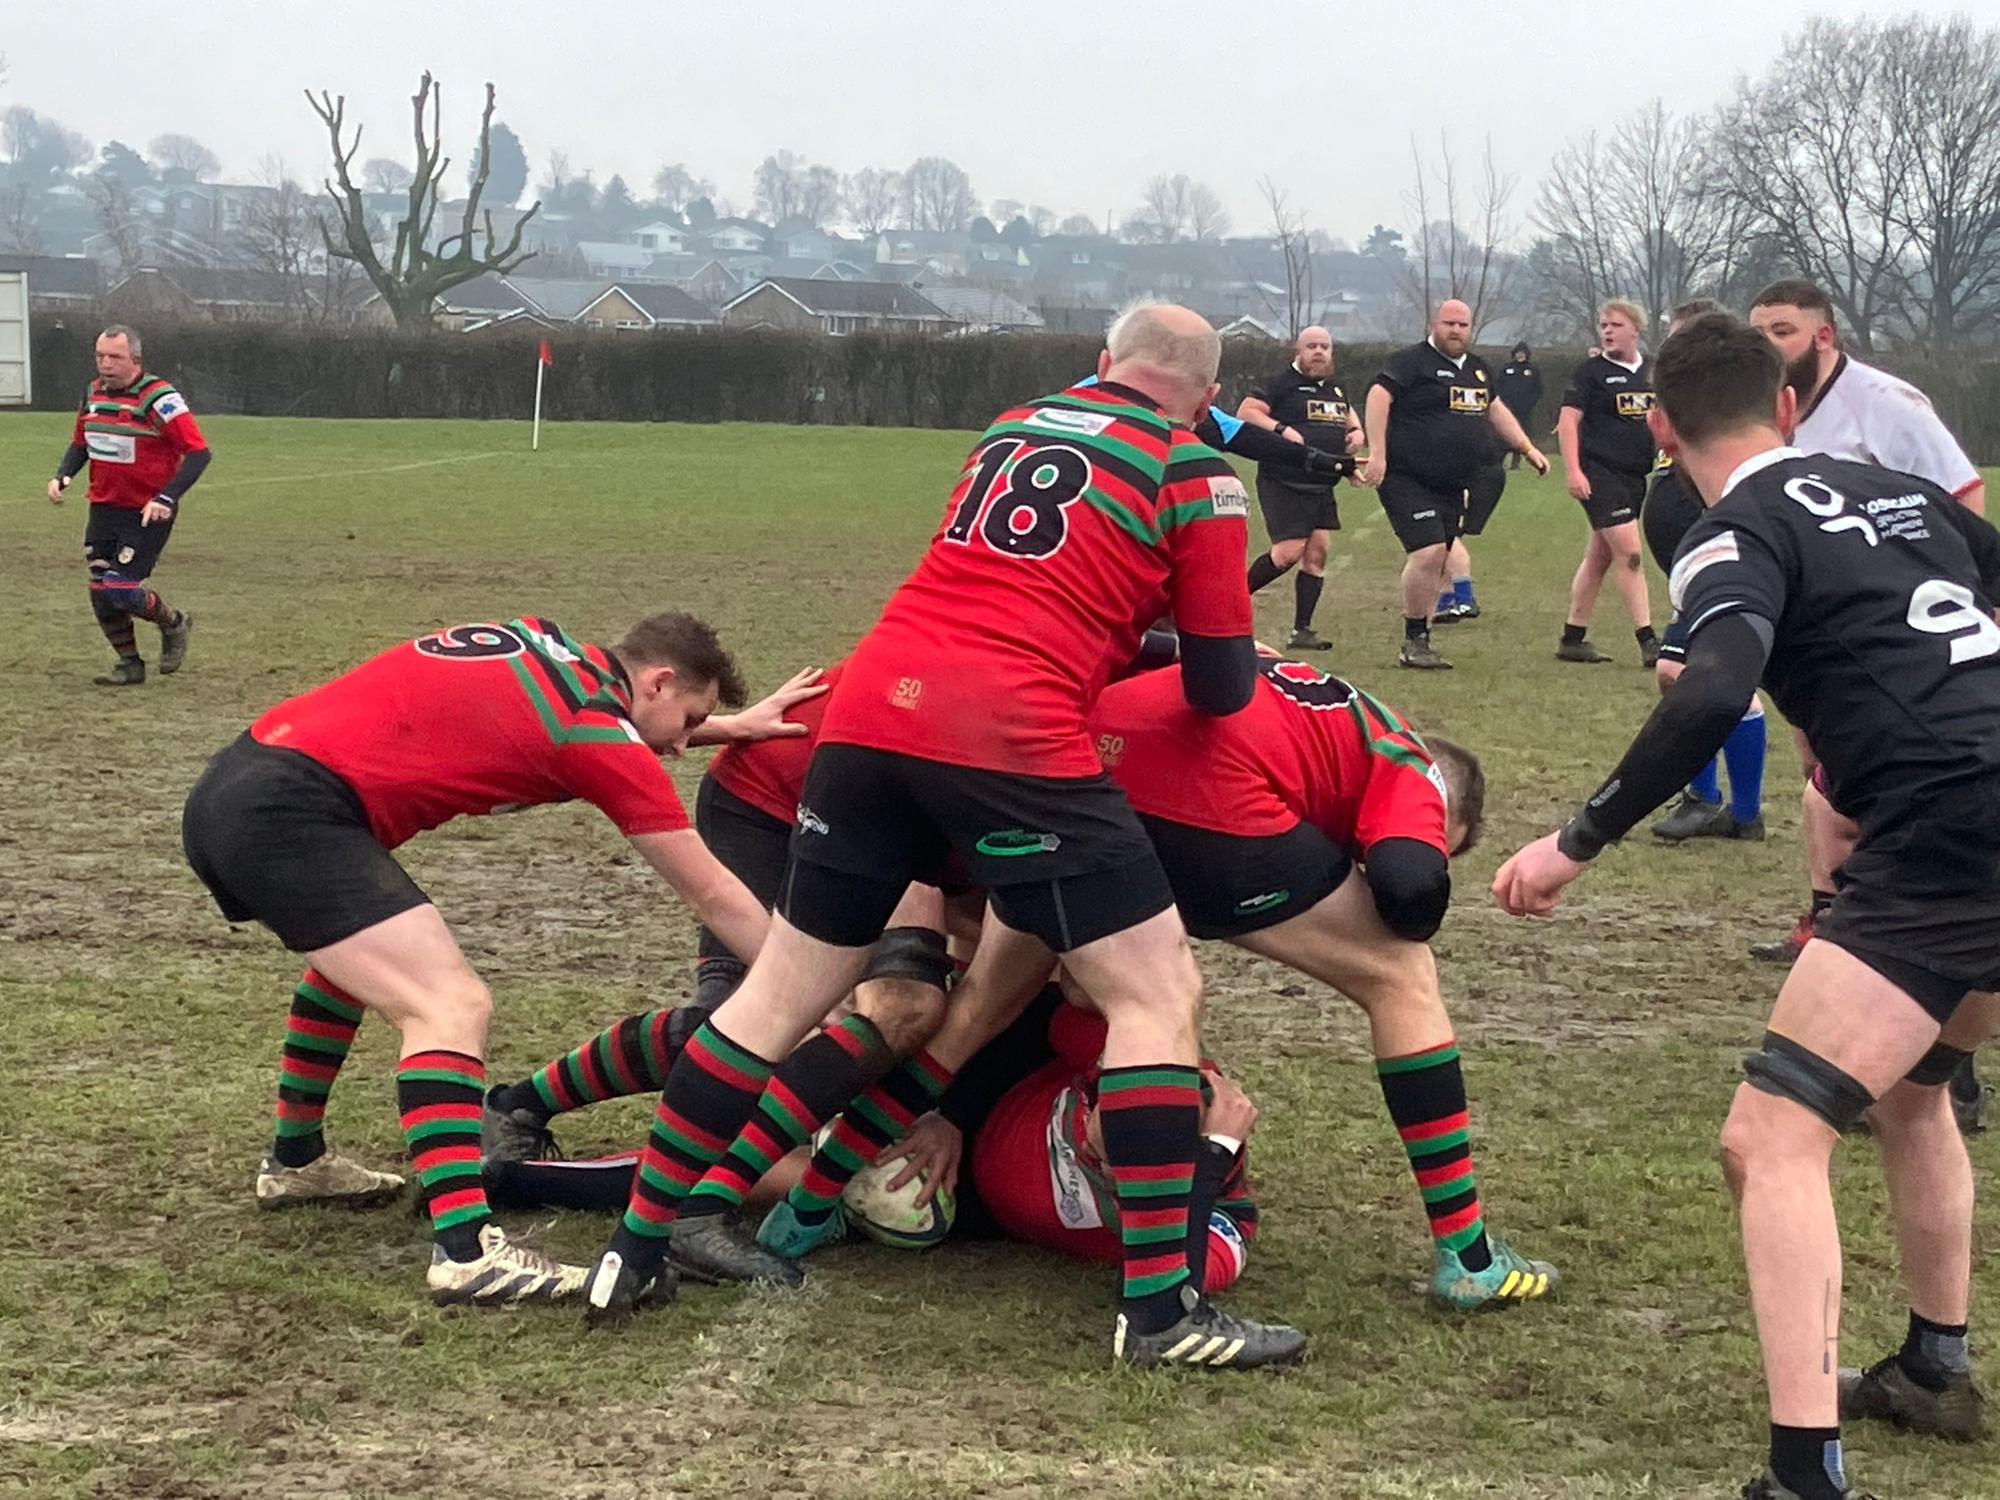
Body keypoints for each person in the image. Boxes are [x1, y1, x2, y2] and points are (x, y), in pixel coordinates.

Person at [581, 302, 1308, 1372]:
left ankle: (636, 1246)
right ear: (1205, 399)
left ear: (1099, 363)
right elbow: (1218, 684)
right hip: (1008, 731)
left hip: (868, 708)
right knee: (1155, 994)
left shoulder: (1013, 424)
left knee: (778, 995)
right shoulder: (1196, 473)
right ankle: (1161, 1314)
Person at [1492, 312, 2000, 1500]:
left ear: (1661, 435)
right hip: (1968, 810)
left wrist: (1574, 842)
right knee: (1916, 1089)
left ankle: (1803, 1475)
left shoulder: (1730, 533)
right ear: (1783, 406)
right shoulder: (1898, 492)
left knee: (1768, 1139)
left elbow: (1710, 693)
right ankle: (1933, 1369)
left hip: (1946, 832)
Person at [770, 655, 1556, 1314]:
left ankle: (807, 1209)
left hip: (1069, 774)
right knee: (1400, 975)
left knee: (977, 1008)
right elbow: (1410, 881)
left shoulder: (1310, 692)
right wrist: (1407, 887)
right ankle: (1467, 1257)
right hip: (1201, 806)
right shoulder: (1408, 758)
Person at [181, 612, 816, 1306]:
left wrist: (730, 726)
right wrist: (806, 987)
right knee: (450, 1005)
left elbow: (550, 717)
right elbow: (712, 893)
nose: (683, 744)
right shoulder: (593, 731)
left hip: (245, 778)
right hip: (288, 812)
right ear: (659, 682)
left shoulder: (547, 641)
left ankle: (297, 1159)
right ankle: (467, 1253)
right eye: (690, 721)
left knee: (354, 966)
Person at [1747, 280, 1989, 986]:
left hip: (1904, 629)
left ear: (1823, 336)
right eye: (1758, 332)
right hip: (1824, 630)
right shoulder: (1769, 407)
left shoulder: (1888, 404)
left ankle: (1850, 928)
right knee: (1827, 780)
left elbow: (1963, 497)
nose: (1768, 345)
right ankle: (1846, 916)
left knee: (1845, 791)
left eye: (1782, 331)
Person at [1358, 300, 1549, 670]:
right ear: (1435, 323)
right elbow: (1378, 397)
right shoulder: (1410, 361)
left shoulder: (1477, 369)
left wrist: (1526, 448)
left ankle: (1422, 636)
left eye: (1462, 324)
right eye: (1449, 323)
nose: (1455, 330)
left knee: (1441, 553)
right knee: (1427, 552)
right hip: (1407, 476)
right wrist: (1377, 451)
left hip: (1453, 482)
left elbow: (1495, 409)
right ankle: (1414, 640)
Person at [1643, 298, 1768, 845]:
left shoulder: (1723, 408)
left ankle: (1719, 802)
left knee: (1692, 674)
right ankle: (1734, 808)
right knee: (1687, 674)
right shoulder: (1685, 401)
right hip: (1695, 567)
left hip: (1722, 563)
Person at [47, 325, 206, 686]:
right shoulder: (92, 393)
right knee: (99, 589)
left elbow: (199, 452)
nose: (105, 363)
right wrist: (62, 476)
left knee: (118, 588)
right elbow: (82, 443)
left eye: (114, 357)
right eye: (100, 356)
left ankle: (174, 623)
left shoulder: (159, 398)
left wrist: (166, 497)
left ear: (135, 359)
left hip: (147, 511)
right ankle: (129, 663)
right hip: (103, 508)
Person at [1237, 326, 1364, 652]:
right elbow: (1246, 412)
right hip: (1284, 481)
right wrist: (1281, 428)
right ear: (1298, 351)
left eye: (1325, 346)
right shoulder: (1280, 383)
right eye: (1312, 346)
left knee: (1317, 554)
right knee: (1288, 552)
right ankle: (1230, 601)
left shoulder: (1336, 388)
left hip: (1321, 484)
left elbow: (1347, 414)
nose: (1319, 351)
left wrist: (1356, 432)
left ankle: (1302, 631)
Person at [1555, 301, 1661, 667]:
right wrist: (1573, 471)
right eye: (1604, 325)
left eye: (1615, 325)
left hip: (1635, 476)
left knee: (1600, 556)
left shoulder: (1652, 371)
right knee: (1630, 553)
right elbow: (1568, 422)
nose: (1607, 331)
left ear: (1636, 330)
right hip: (1599, 472)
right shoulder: (1591, 372)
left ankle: (1572, 638)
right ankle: (1648, 640)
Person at [1495, 343, 1543, 470]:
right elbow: (1497, 386)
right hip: (1506, 409)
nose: (1520, 355)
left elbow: (1538, 390)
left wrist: (1529, 404)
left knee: (1521, 435)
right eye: (1518, 353)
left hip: (1524, 411)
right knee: (1503, 435)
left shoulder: (1532, 370)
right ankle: (1499, 461)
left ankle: (1515, 463)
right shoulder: (1506, 369)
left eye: (1522, 353)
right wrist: (1502, 403)